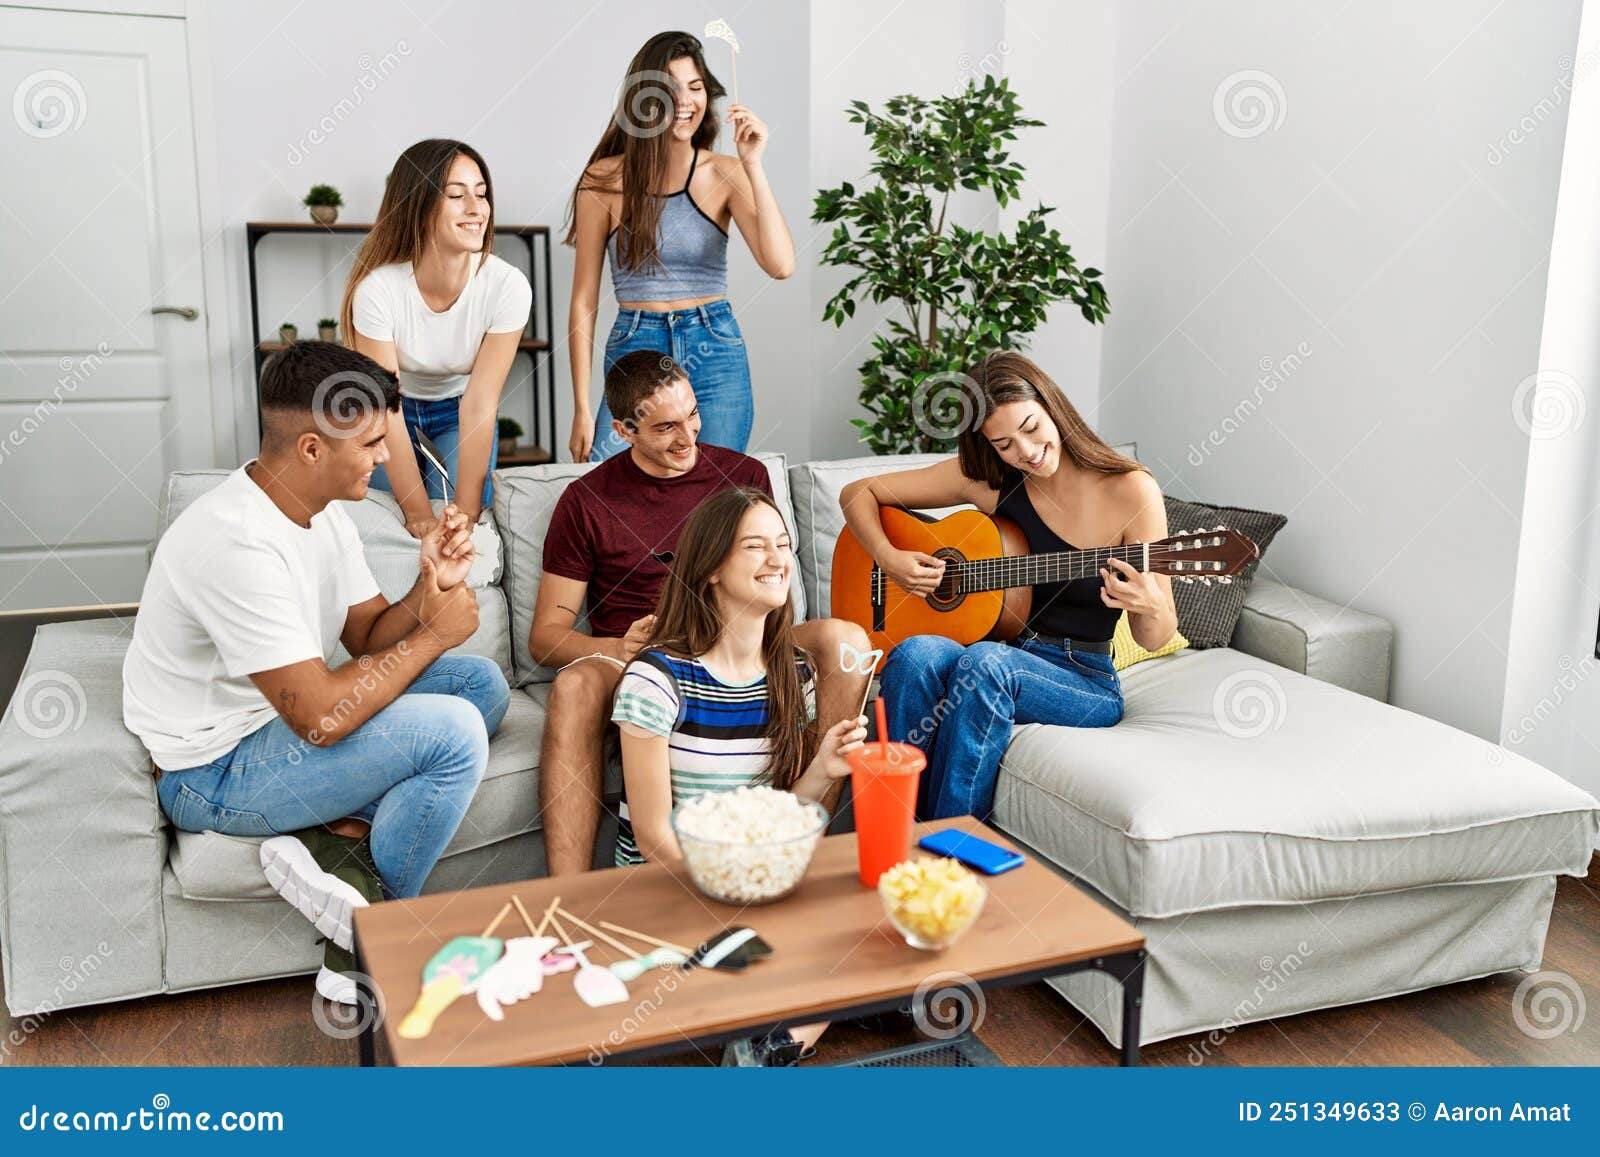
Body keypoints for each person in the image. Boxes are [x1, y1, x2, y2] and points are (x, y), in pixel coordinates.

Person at [122, 341, 510, 1006]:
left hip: (273, 726)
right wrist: (437, 632)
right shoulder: (237, 541)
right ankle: (365, 938)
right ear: (309, 447)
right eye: (369, 443)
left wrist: (428, 589)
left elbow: (365, 633)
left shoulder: (318, 512)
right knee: (453, 732)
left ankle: (339, 837)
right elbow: (322, 718)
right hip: (211, 770)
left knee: (482, 687)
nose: (387, 458)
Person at [530, 350, 870, 876]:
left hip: (740, 635)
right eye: (666, 427)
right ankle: (567, 893)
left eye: (693, 415)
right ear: (623, 430)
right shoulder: (586, 500)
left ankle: (799, 852)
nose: (687, 438)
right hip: (642, 653)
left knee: (844, 640)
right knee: (574, 687)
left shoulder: (743, 474)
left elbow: (772, 576)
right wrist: (616, 648)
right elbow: (546, 638)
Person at [839, 351, 1179, 821]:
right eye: (1004, 444)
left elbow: (1157, 635)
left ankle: (949, 851)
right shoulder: (992, 483)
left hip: (1083, 676)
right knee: (916, 655)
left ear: (1053, 407)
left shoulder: (1131, 490)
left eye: (1032, 427)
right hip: (1002, 646)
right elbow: (859, 493)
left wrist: (1148, 603)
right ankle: (888, 830)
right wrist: (889, 557)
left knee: (986, 664)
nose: (1026, 451)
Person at [611, 485, 866, 1063]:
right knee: (818, 954)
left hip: (744, 888)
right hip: (666, 891)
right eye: (755, 546)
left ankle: (757, 1049)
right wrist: (739, 905)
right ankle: (751, 1022)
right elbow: (652, 837)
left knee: (863, 931)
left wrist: (821, 770)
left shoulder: (791, 677)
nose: (778, 559)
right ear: (710, 572)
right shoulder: (656, 680)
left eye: (783, 543)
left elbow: (772, 814)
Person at [564, 30, 795, 462]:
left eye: (695, 87)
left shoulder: (726, 172)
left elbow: (780, 265)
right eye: (670, 89)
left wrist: (754, 166)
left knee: (712, 490)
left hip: (714, 344)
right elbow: (583, 301)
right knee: (614, 483)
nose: (685, 101)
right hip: (637, 342)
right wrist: (580, 407)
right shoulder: (603, 180)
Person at [344, 138, 532, 535]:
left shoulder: (507, 286)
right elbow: (387, 407)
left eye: (481, 195)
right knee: (387, 525)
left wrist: (465, 516)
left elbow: (480, 402)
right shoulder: (378, 291)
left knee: (460, 518)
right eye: (456, 195)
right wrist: (416, 514)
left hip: (459, 408)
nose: (476, 209)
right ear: (420, 204)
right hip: (389, 411)